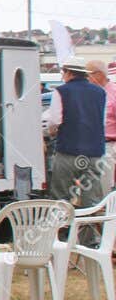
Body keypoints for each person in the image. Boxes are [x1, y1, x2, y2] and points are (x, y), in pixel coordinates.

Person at [43, 57, 107, 234]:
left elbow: (54, 120)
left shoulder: (61, 91)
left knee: (61, 197)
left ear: (68, 73)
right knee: (91, 201)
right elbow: (100, 122)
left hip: (68, 151)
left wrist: (51, 132)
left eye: (63, 72)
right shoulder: (100, 92)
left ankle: (59, 237)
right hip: (94, 153)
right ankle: (91, 240)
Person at [90, 61, 116, 197]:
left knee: (106, 186)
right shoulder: (93, 92)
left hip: (110, 145)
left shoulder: (113, 92)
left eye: (89, 74)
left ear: (99, 74)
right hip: (95, 145)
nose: (87, 78)